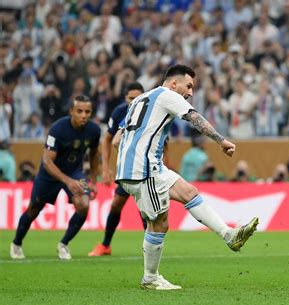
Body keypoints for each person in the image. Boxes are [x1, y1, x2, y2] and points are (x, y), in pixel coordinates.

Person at [115, 65, 258, 290]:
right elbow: (193, 117)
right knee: (159, 224)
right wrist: (221, 141)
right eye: (188, 86)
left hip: (146, 167)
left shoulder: (140, 99)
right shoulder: (167, 95)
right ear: (174, 83)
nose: (191, 92)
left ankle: (229, 235)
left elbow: (117, 140)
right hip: (144, 170)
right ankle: (150, 278)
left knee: (189, 192)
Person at [10, 95, 101, 260]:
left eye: (87, 111)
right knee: (34, 209)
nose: (84, 115)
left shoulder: (94, 131)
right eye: (79, 111)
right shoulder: (57, 129)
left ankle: (63, 244)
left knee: (83, 205)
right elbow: (46, 161)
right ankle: (16, 243)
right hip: (50, 174)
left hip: (75, 171)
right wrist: (67, 181)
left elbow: (94, 155)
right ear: (71, 111)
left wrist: (93, 181)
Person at [88, 82, 145, 257]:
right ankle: (105, 245)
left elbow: (165, 145)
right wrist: (105, 168)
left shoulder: (152, 112)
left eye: (138, 98)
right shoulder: (120, 112)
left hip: (147, 168)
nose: (134, 101)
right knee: (116, 205)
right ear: (125, 98)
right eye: (130, 98)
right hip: (128, 169)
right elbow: (107, 139)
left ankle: (151, 248)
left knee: (146, 209)